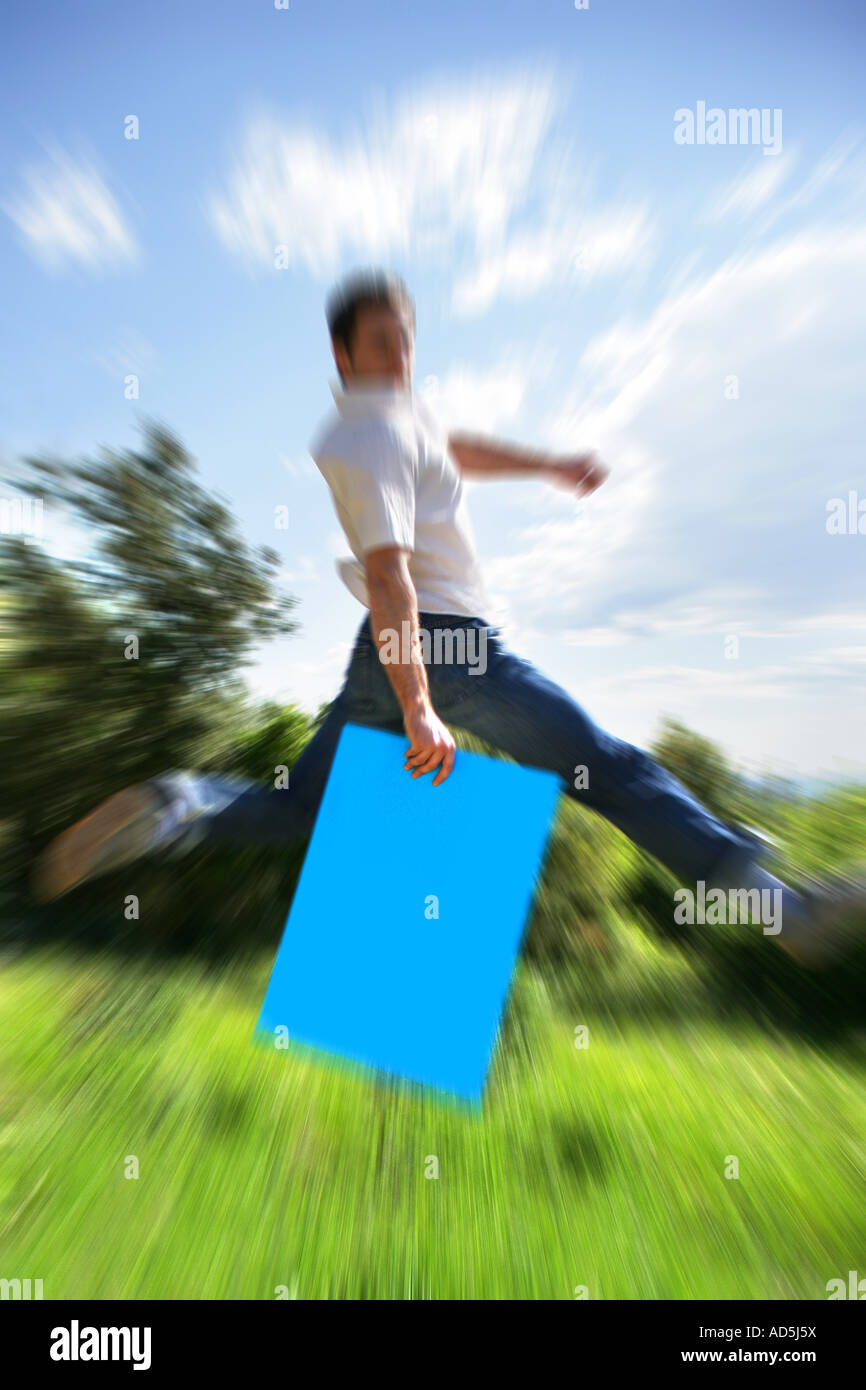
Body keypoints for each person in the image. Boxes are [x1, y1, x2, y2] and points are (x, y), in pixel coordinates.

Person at [32, 267, 865, 969]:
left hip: (382, 665)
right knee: (605, 770)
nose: (398, 356)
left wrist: (546, 464)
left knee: (304, 807)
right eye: (380, 342)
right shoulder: (366, 441)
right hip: (446, 651)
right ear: (341, 351)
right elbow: (391, 577)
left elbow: (452, 446)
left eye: (405, 338)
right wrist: (424, 704)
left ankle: (177, 805)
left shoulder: (395, 420)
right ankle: (784, 912)